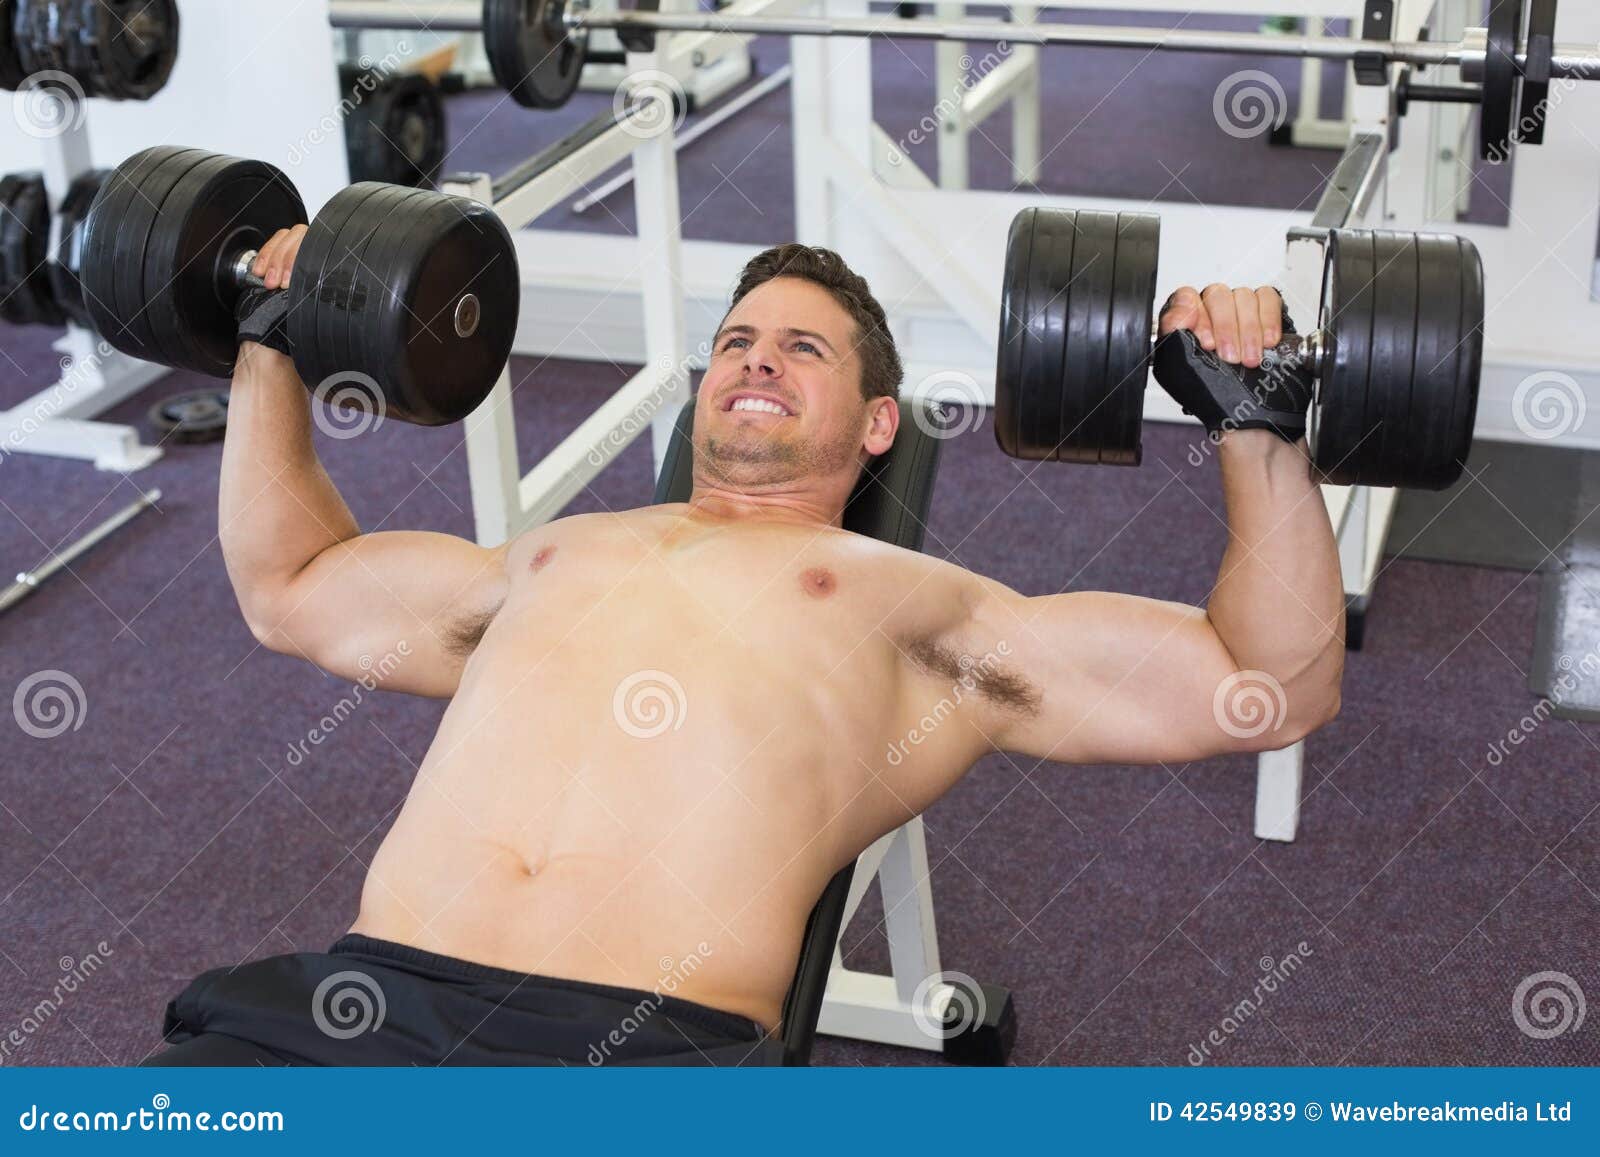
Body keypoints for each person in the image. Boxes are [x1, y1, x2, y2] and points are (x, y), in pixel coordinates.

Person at [145, 230, 1343, 1066]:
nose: (755, 358)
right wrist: (271, 335)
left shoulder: (923, 613)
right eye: (736, 340)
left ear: (880, 423)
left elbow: (1264, 686)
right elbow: (288, 587)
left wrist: (1253, 420)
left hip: (635, 1051)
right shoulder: (552, 553)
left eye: (803, 349)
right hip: (359, 1013)